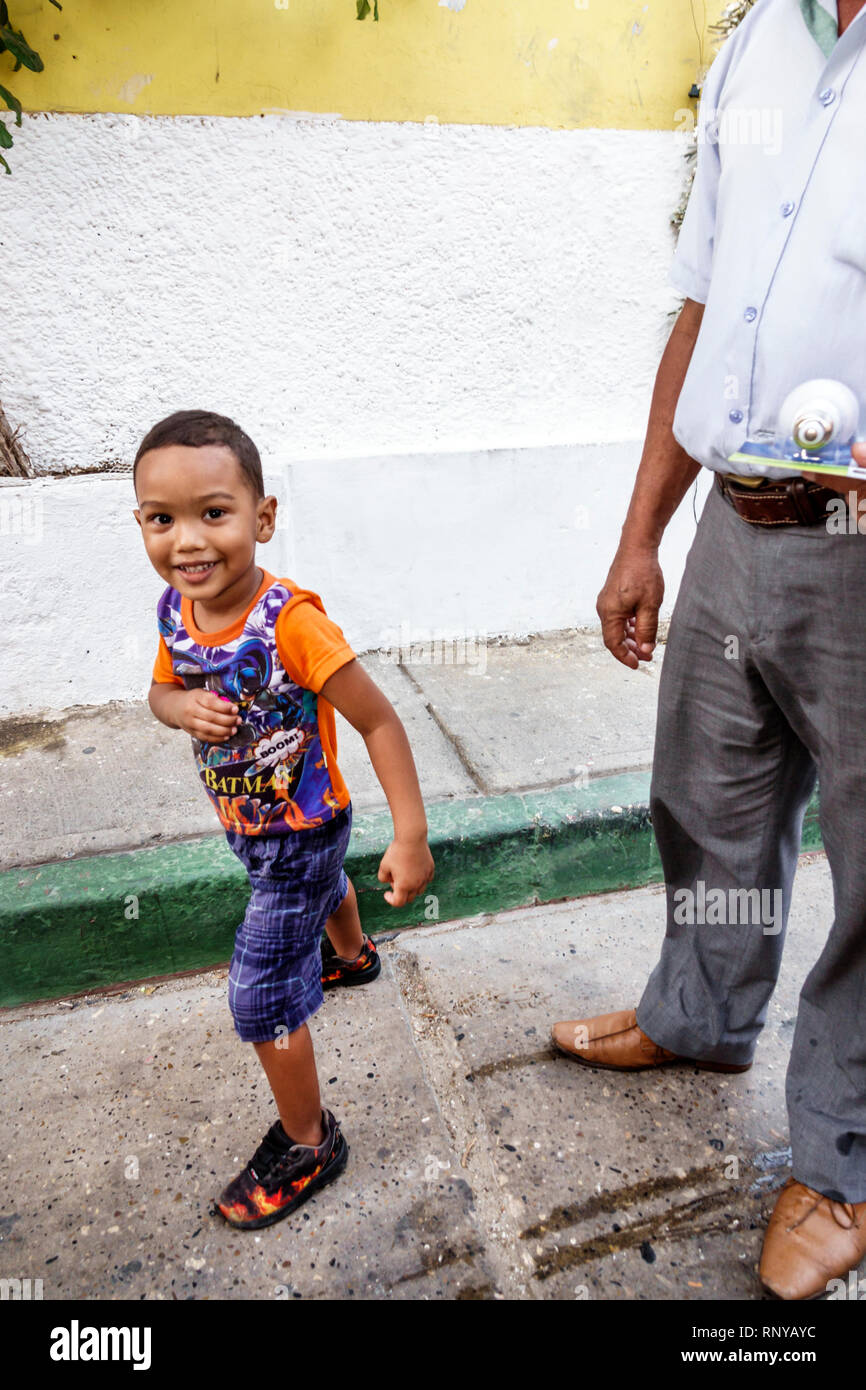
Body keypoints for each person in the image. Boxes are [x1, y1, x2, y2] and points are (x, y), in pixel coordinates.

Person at [551, 0, 866, 1299]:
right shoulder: (758, 38)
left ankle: (840, 1161)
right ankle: (700, 1014)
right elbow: (703, 295)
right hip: (736, 516)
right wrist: (642, 533)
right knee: (706, 794)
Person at [133, 409, 434, 1230]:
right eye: (164, 519)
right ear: (142, 525)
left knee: (262, 990)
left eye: (214, 513)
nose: (188, 541)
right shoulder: (175, 611)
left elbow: (378, 720)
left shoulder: (290, 623)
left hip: (301, 828)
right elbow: (159, 690)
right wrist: (179, 708)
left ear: (262, 518)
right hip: (250, 825)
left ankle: (309, 1140)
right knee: (313, 887)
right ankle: (353, 954)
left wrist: (410, 833)